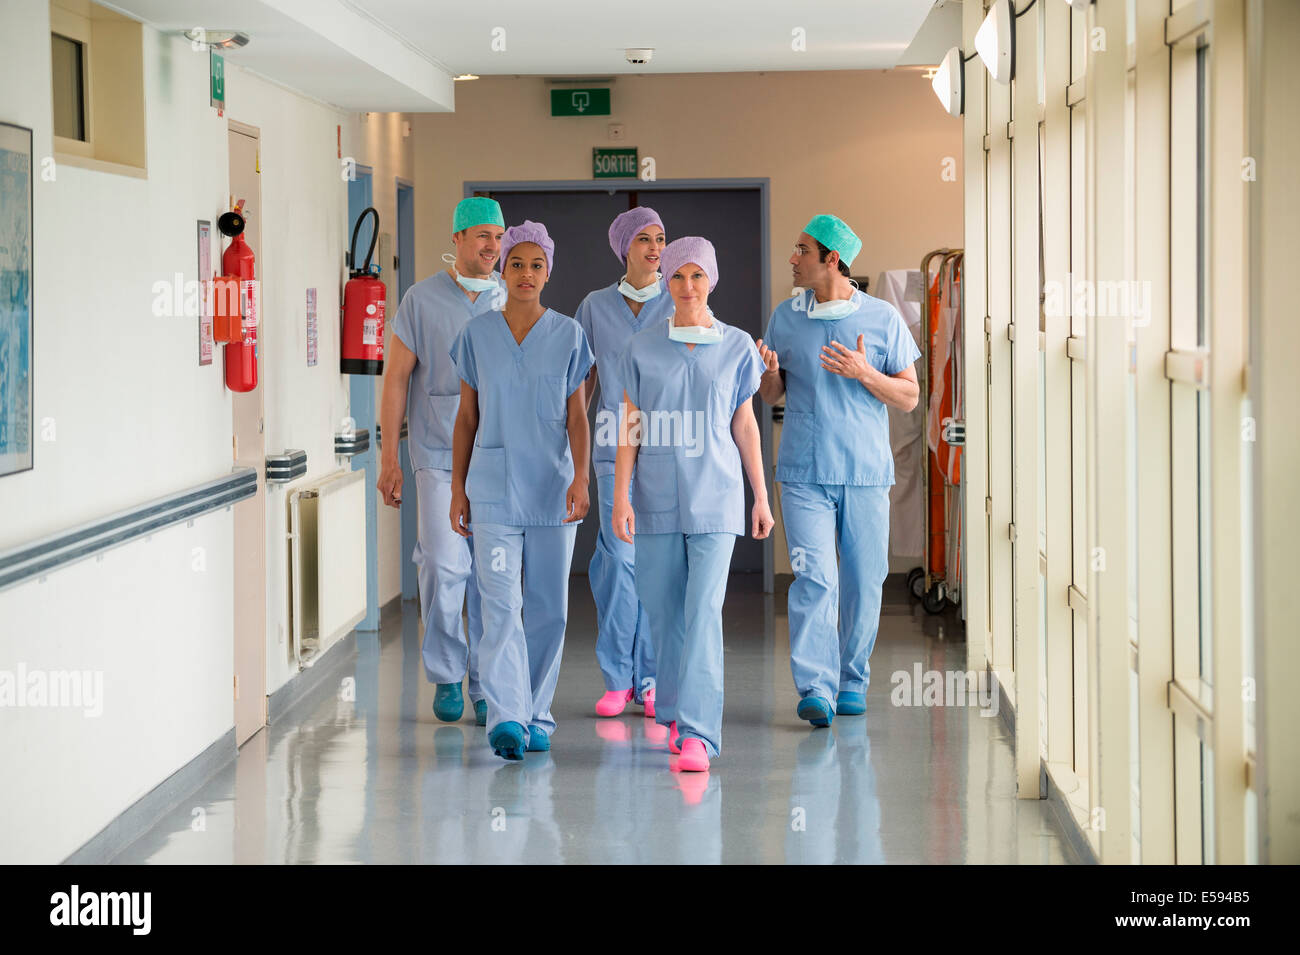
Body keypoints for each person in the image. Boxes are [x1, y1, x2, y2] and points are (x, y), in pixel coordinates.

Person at [612, 237, 772, 773]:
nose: (686, 287)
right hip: (656, 495)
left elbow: (744, 423)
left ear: (712, 281)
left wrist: (761, 497)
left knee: (704, 611)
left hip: (718, 496)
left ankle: (701, 732)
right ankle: (678, 713)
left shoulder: (736, 348)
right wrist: (620, 497)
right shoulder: (641, 347)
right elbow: (629, 425)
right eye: (677, 277)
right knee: (662, 610)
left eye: (696, 277)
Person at [757, 214, 921, 728]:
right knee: (814, 576)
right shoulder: (785, 318)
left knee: (864, 580)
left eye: (801, 250)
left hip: (866, 473)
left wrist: (865, 372)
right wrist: (768, 372)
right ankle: (816, 687)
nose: (792, 258)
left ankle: (852, 678)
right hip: (804, 470)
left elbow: (911, 396)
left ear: (832, 258)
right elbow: (772, 395)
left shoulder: (882, 318)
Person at [449, 220, 594, 761]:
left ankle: (536, 710)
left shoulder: (568, 336)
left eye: (536, 265)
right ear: (501, 270)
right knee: (499, 604)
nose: (526, 274)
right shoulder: (476, 335)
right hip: (491, 489)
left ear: (548, 272)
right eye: (516, 264)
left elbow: (577, 417)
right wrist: (459, 488)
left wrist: (581, 476)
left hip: (554, 487)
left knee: (548, 608)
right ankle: (508, 715)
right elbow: (467, 417)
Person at [378, 196, 506, 726]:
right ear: (456, 239)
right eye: (481, 236)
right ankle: (448, 672)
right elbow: (396, 378)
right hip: (435, 453)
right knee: (444, 564)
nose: (493, 247)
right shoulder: (421, 299)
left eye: (498, 237)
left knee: (491, 574)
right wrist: (389, 458)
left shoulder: (512, 295)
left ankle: (485, 682)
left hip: (499, 455)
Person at [576, 207, 675, 720]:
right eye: (644, 239)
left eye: (661, 239)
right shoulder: (594, 307)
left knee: (652, 564)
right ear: (623, 248)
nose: (655, 248)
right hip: (615, 444)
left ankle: (653, 675)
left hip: (666, 448)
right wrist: (569, 449)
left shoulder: (678, 297)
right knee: (619, 560)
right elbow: (581, 385)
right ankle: (618, 677)